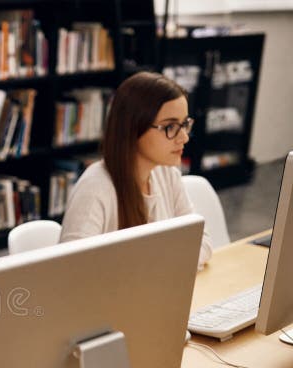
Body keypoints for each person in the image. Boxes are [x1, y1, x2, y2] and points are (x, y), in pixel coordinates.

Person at [60, 71, 212, 268]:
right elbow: (71, 269)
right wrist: (168, 261)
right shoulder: (95, 188)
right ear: (134, 127)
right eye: (171, 127)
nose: (184, 137)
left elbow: (203, 243)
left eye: (184, 124)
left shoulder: (167, 174)